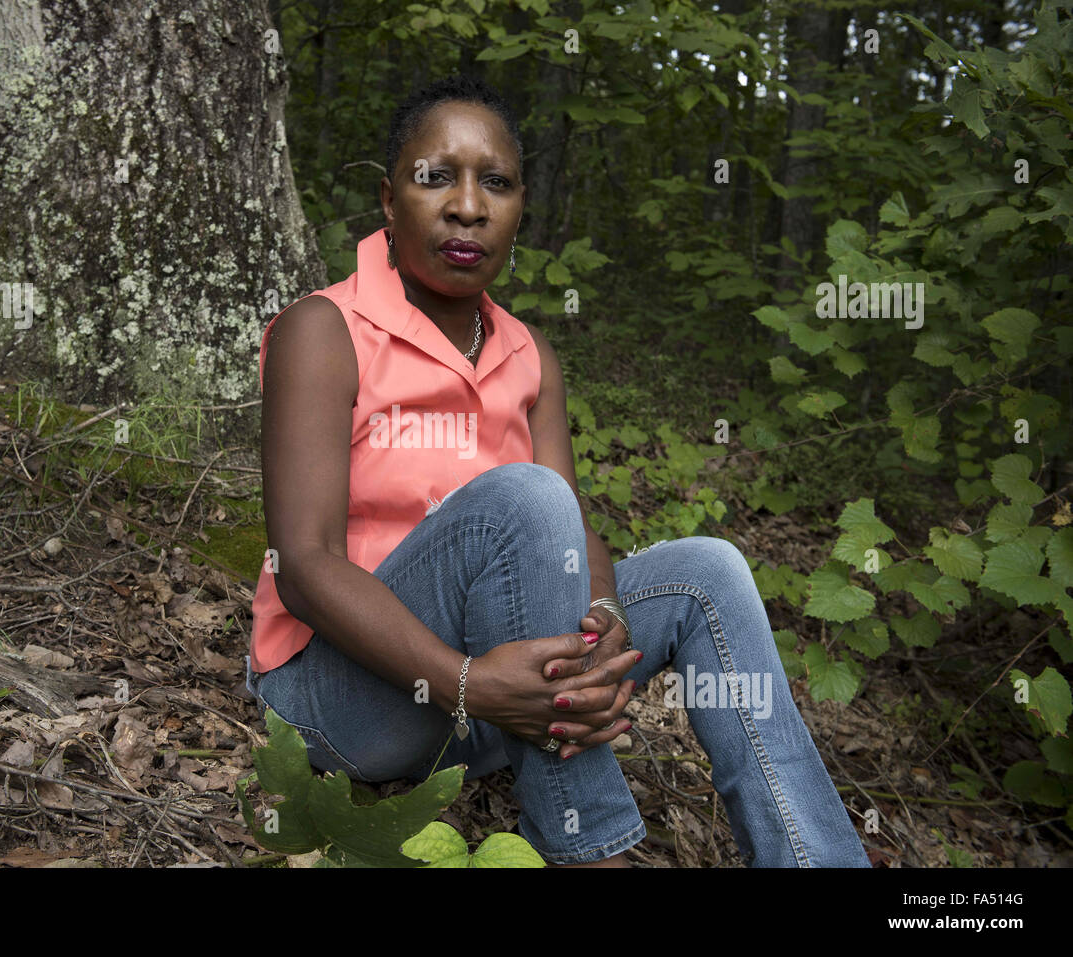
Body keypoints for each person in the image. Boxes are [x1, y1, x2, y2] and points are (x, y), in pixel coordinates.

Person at [245, 74, 869, 868]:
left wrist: (603, 616)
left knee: (707, 571)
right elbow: (303, 565)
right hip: (344, 705)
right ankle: (590, 846)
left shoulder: (530, 354)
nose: (468, 206)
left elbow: (570, 530)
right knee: (522, 498)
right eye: (436, 176)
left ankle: (816, 861)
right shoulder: (325, 328)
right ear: (388, 199)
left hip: (500, 704)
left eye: (496, 183)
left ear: (519, 208)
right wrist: (467, 681)